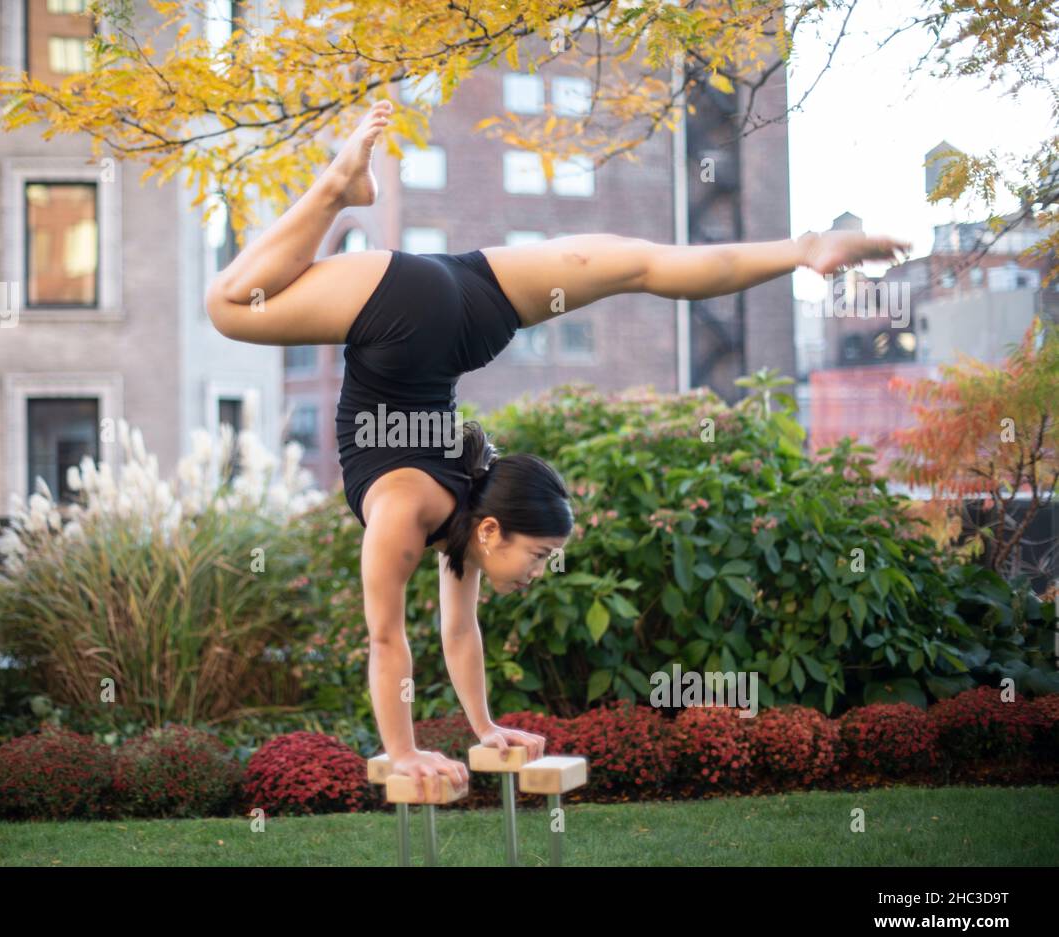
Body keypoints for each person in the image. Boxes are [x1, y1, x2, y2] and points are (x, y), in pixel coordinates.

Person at [205, 99, 912, 801]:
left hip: (465, 307)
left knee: (637, 265)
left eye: (544, 558)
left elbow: (455, 633)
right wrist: (403, 750)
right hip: (407, 320)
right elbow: (389, 641)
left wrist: (483, 728)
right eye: (540, 554)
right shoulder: (408, 512)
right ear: (492, 528)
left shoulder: (461, 508)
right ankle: (337, 190)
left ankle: (803, 250)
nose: (543, 570)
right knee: (230, 307)